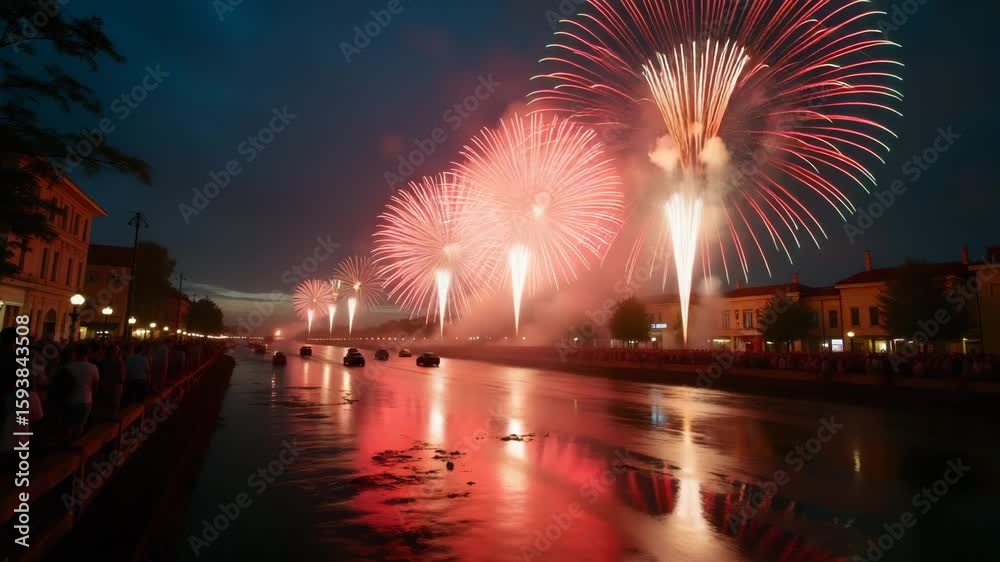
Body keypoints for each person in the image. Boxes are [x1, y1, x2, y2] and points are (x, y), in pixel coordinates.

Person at [64, 344, 100, 438]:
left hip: (70, 400)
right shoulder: (93, 368)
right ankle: (77, 443)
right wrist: (92, 396)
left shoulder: (69, 367)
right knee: (80, 426)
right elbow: (96, 385)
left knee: (68, 426)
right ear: (88, 353)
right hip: (85, 399)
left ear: (76, 353)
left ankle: (67, 443)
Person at [99, 344, 126, 420]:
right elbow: (122, 375)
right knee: (115, 403)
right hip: (116, 384)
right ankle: (113, 417)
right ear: (115, 352)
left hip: (105, 383)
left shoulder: (103, 361)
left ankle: (106, 417)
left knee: (107, 402)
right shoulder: (119, 362)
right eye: (118, 351)